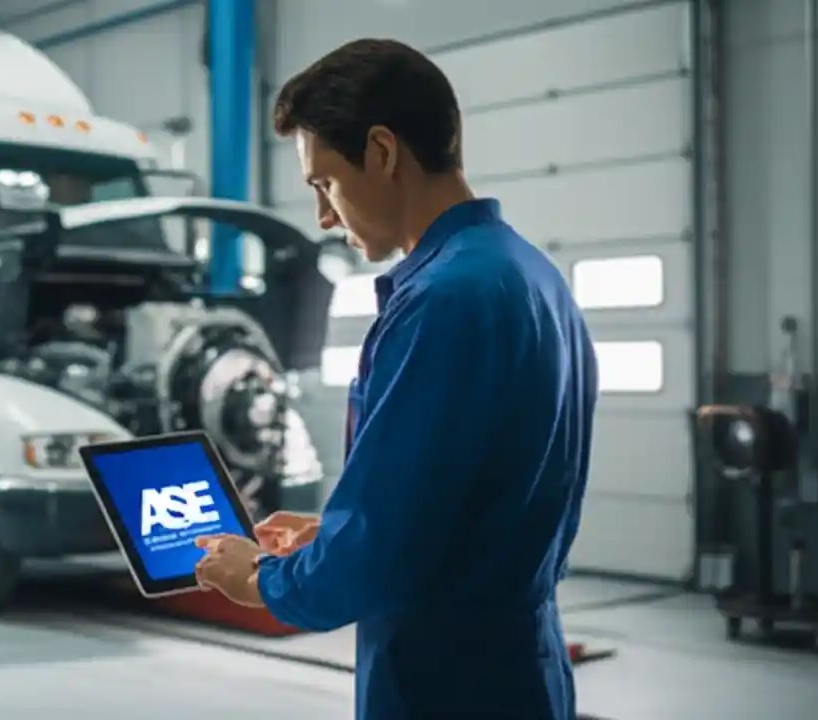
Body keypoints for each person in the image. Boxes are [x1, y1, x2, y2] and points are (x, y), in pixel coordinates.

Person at [193, 38, 598, 719]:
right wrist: (334, 533)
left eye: (324, 183)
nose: (323, 215)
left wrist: (260, 579)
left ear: (381, 153)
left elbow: (375, 563)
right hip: (521, 668)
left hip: (443, 685)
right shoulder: (532, 278)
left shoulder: (443, 300)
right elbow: (468, 504)